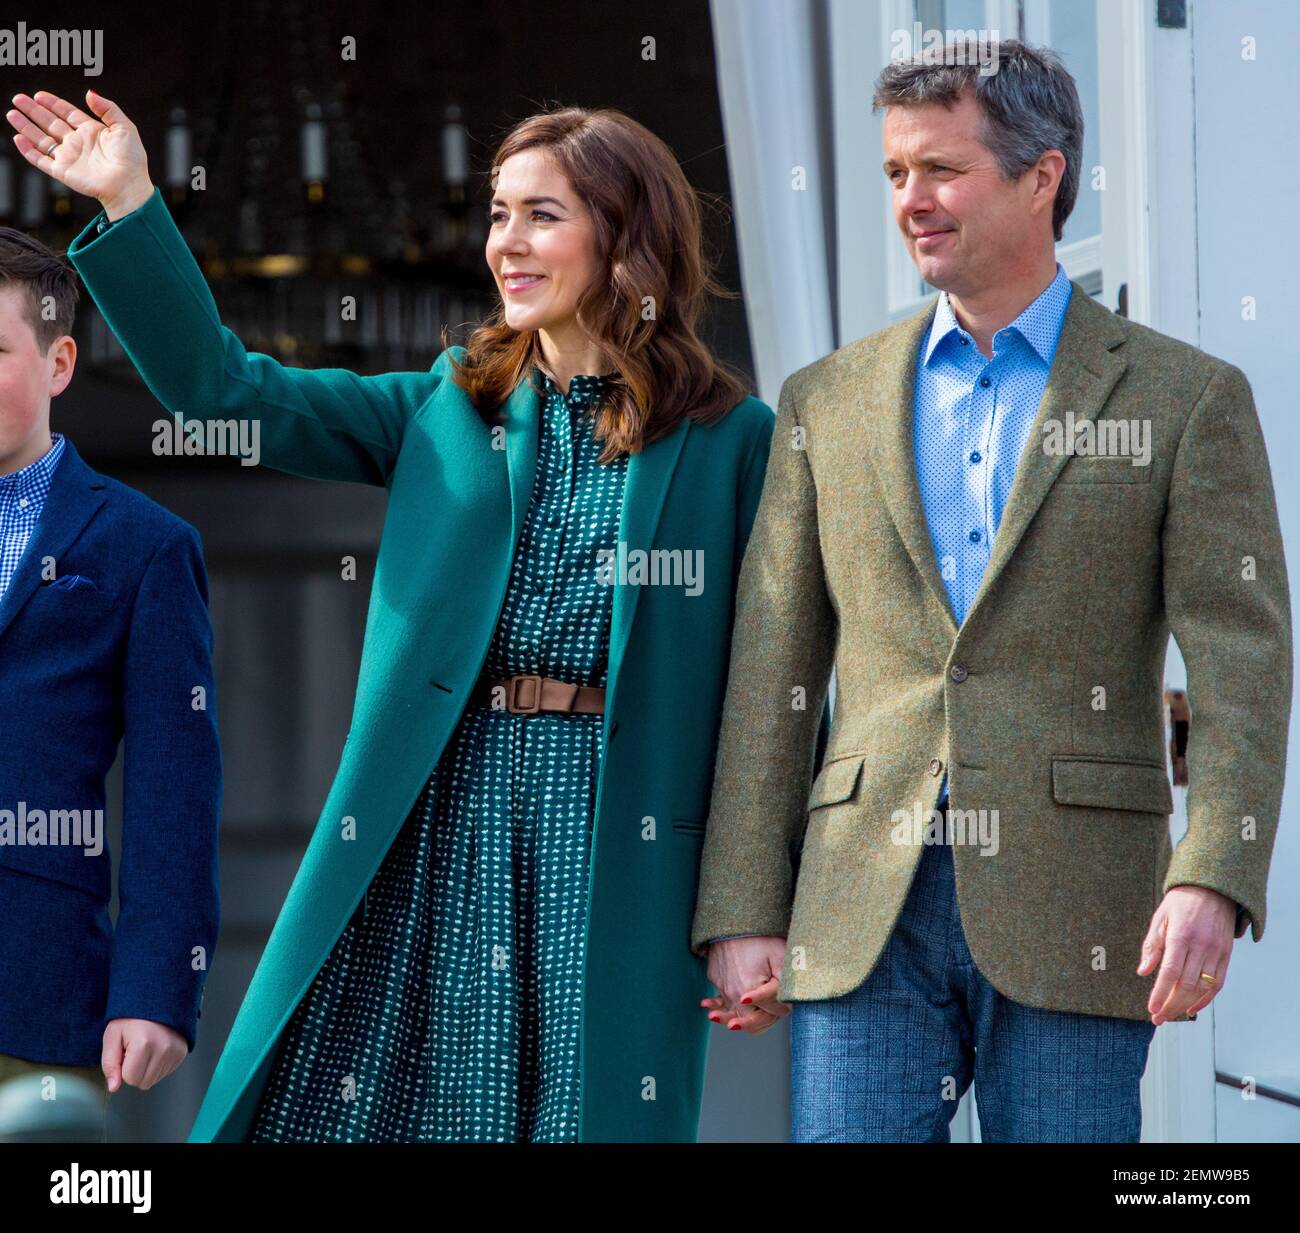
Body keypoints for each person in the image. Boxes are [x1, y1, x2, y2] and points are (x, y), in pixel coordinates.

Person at [8, 87, 775, 1142]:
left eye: (542, 215)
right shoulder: (443, 407)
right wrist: (133, 202)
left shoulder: (736, 441)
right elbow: (220, 391)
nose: (506, 241)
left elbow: (771, 694)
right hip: (435, 821)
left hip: (618, 833)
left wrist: (748, 908)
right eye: (499, 214)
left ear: (627, 234)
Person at [691, 39, 1291, 1143]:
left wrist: (1213, 874)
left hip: (1078, 902)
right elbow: (772, 667)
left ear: (1041, 176)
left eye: (940, 170)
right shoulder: (826, 400)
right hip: (860, 898)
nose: (910, 201)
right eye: (893, 176)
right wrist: (740, 904)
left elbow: (1242, 660)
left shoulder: (1184, 397)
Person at [0, 223, 221, 1140]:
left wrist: (157, 990)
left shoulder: (145, 545)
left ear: (58, 362)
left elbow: (175, 788)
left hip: (36, 987)